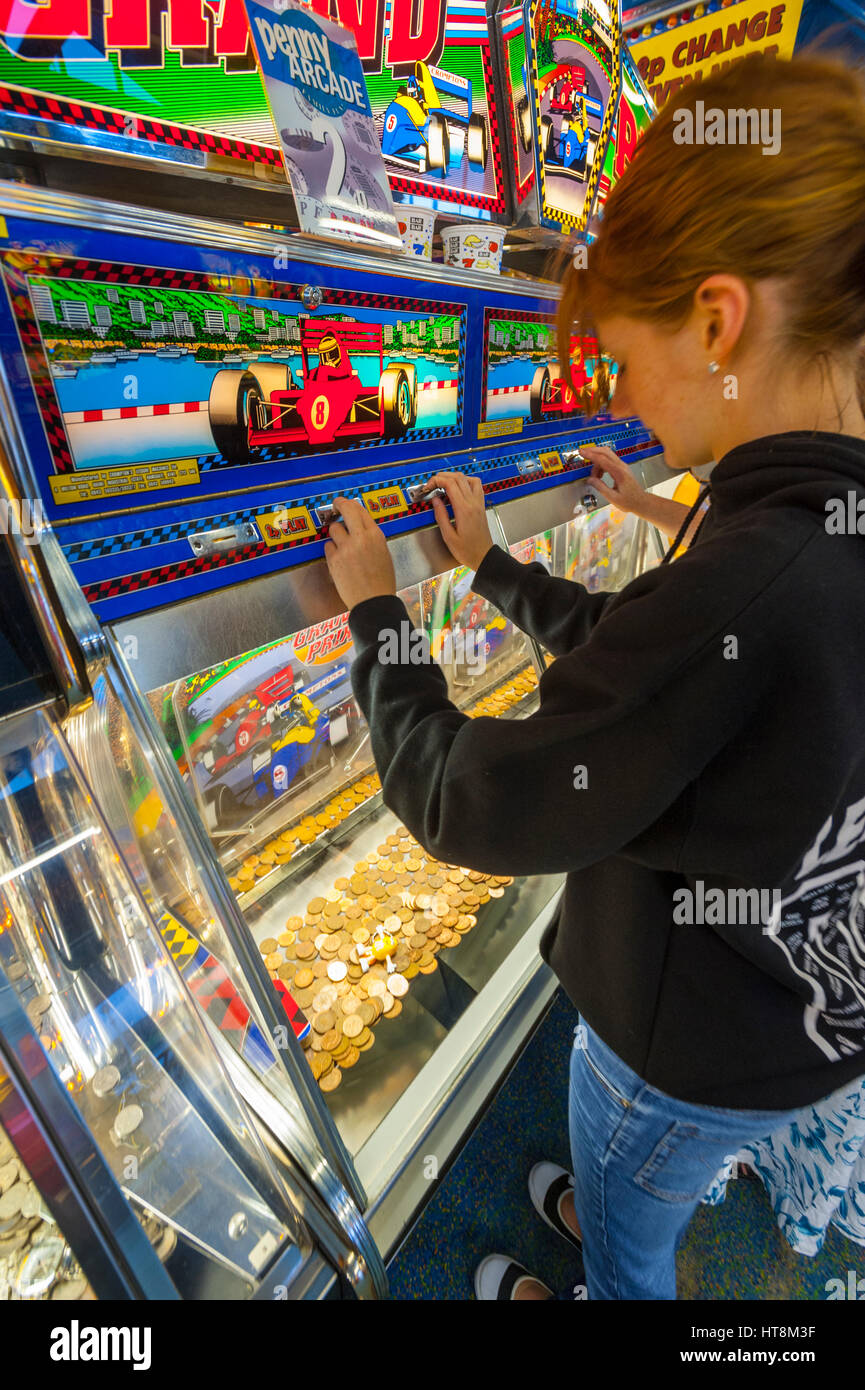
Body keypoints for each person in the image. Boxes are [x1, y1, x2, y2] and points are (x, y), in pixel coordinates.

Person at [323, 52, 865, 1300]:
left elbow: (472, 798)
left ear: (718, 321)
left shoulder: (762, 572)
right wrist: (500, 572)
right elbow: (661, 657)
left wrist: (378, 621)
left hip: (685, 1049)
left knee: (632, 1247)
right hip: (798, 1017)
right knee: (642, 1187)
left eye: (621, 356)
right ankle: (618, 1198)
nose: (615, 398)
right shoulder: (810, 515)